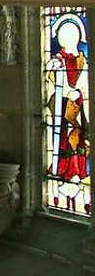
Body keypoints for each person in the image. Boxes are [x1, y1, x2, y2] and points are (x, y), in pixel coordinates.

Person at [45, 13, 90, 212]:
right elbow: (51, 86)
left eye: (72, 34)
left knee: (78, 141)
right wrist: (55, 73)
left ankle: (78, 171)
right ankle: (61, 171)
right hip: (61, 112)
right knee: (63, 141)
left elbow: (85, 85)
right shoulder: (57, 60)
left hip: (79, 110)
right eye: (64, 34)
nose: (68, 38)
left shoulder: (83, 60)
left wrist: (78, 92)